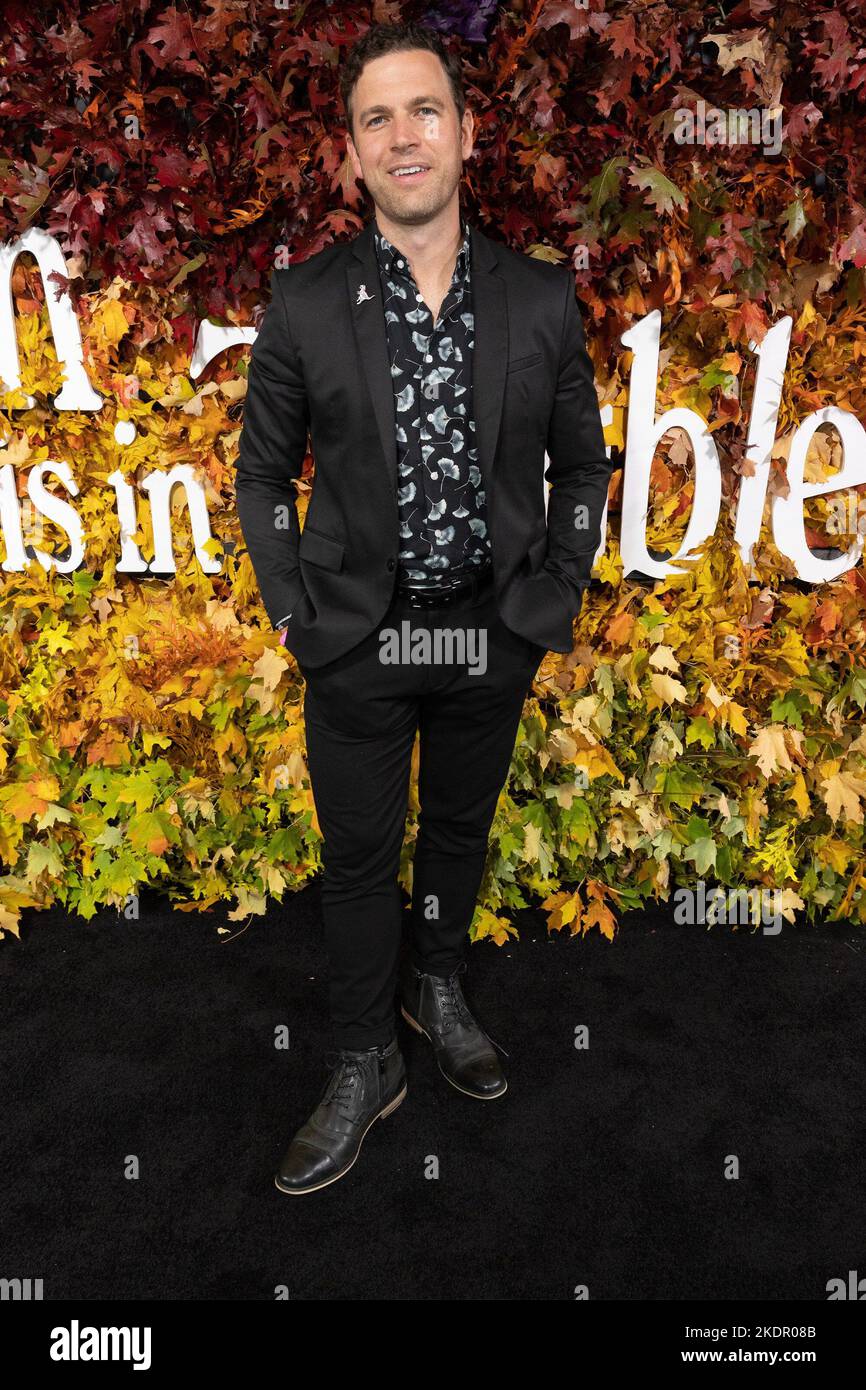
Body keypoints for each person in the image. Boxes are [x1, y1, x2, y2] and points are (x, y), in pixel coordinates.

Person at [235, 20, 613, 1195]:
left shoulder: (542, 302)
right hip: (358, 638)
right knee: (357, 860)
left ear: (464, 133)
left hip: (487, 632)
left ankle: (435, 985)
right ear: (352, 154)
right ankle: (362, 1059)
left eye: (423, 110)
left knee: (456, 832)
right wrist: (297, 617)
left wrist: (548, 593)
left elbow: (582, 470)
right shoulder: (301, 304)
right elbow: (260, 476)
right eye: (375, 118)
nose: (403, 136)